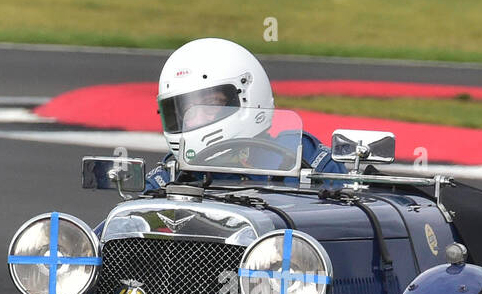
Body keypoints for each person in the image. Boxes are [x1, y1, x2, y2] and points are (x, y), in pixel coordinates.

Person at [146, 38, 344, 189]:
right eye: (184, 113)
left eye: (209, 105)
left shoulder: (309, 164)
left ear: (248, 95)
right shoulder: (168, 180)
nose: (195, 120)